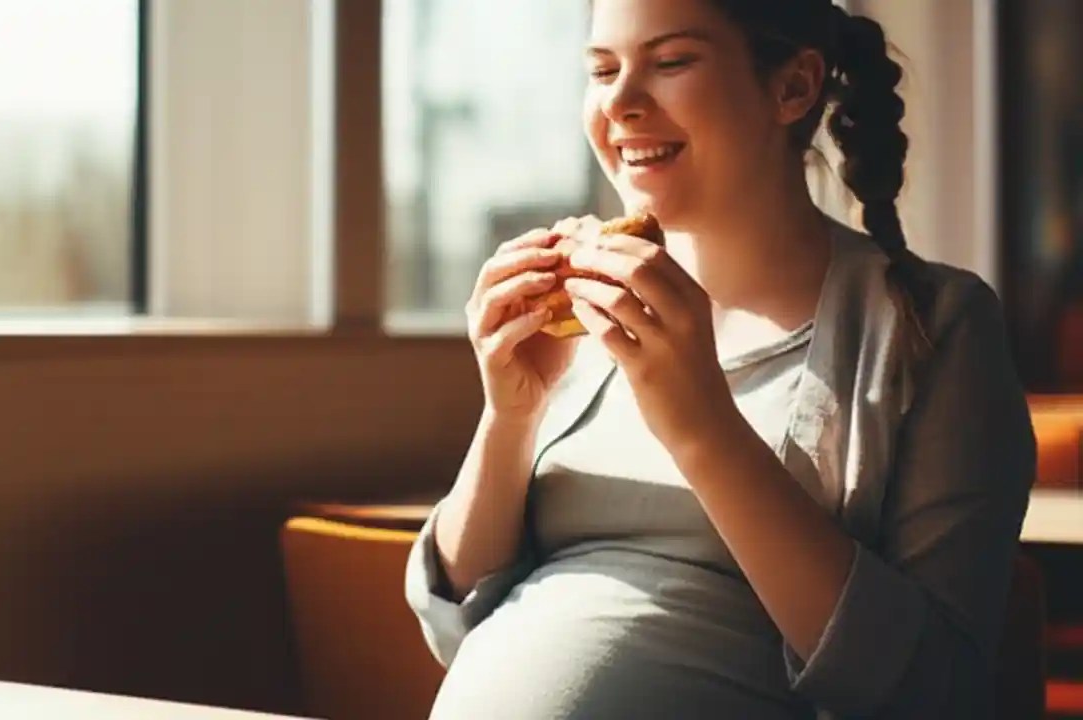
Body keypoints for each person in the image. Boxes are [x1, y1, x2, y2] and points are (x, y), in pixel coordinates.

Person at [403, 0, 1037, 718]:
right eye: (602, 70)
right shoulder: (582, 312)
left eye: (671, 62)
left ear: (794, 88)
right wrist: (510, 416)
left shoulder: (934, 324)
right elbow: (451, 620)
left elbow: (935, 689)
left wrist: (702, 428)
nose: (621, 102)